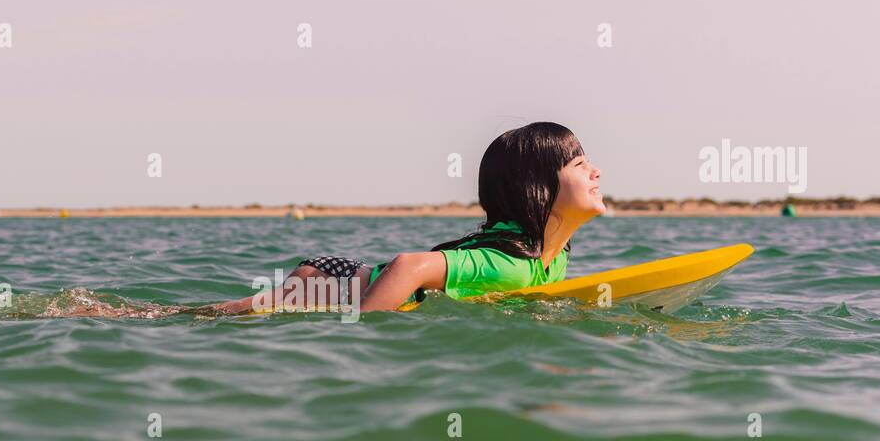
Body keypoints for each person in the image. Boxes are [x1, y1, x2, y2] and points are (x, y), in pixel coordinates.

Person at [215, 121, 606, 314]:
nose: (595, 172)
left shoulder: (552, 255)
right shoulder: (511, 264)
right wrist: (368, 331)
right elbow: (408, 266)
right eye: (579, 163)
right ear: (537, 188)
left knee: (224, 315)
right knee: (218, 316)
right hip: (332, 283)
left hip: (349, 276)